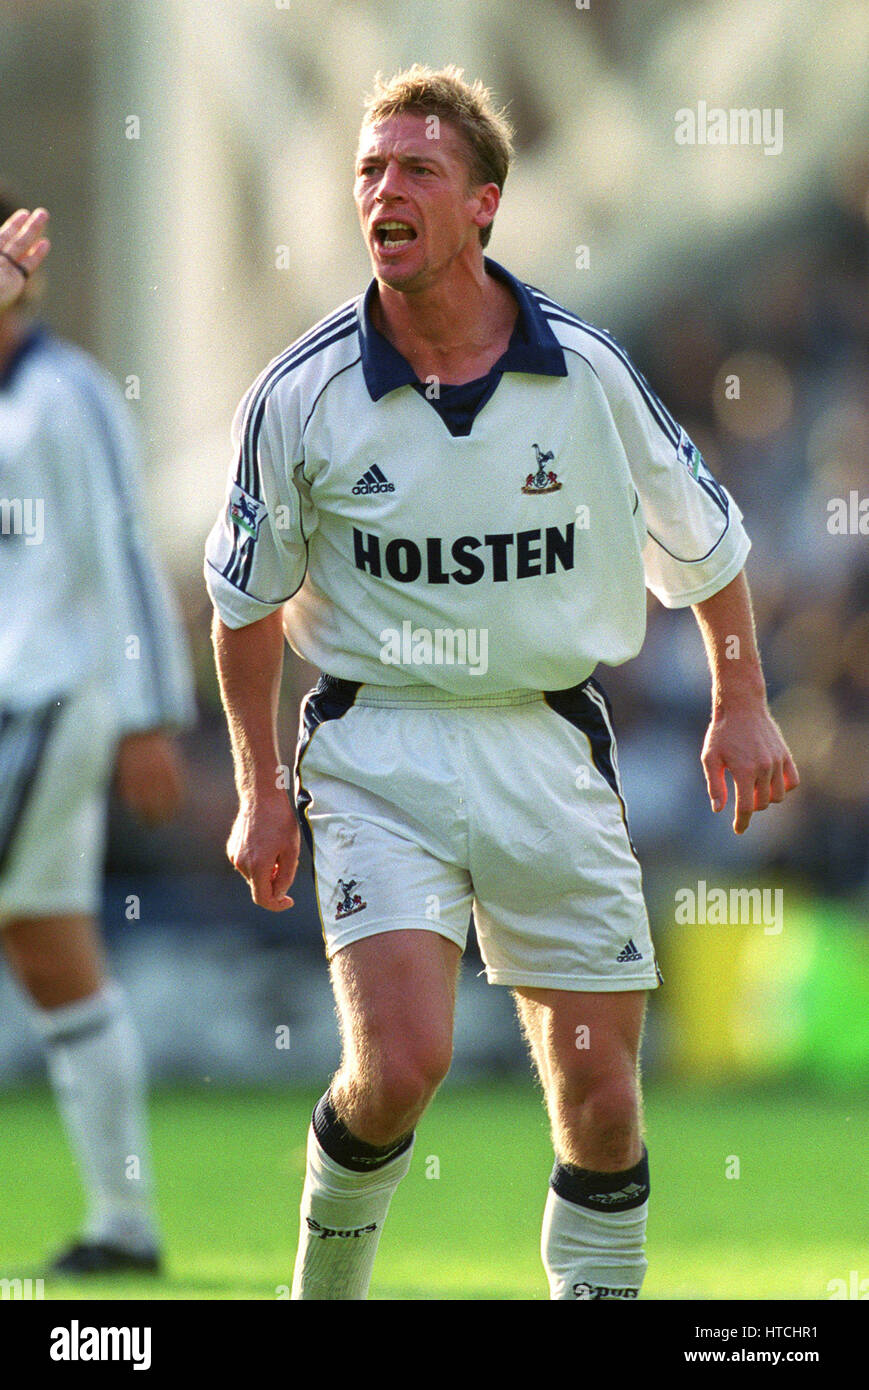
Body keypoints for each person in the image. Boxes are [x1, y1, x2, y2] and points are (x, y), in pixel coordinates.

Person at [205, 66, 799, 1301]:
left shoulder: (582, 371)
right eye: (369, 169)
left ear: (482, 205)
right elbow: (244, 609)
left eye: (416, 168)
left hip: (545, 742)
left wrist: (740, 702)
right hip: (377, 748)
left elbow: (707, 540)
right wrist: (261, 788)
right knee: (401, 1063)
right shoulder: (297, 395)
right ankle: (321, 1293)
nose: (384, 188)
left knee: (597, 1094)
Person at [0, 194, 195, 1274]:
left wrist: (148, 711)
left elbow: (122, 552)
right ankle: (125, 1224)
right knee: (50, 949)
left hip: (43, 699)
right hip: (20, 702)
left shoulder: (66, 398)